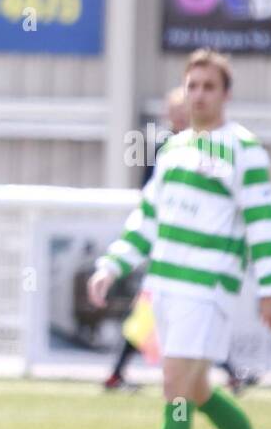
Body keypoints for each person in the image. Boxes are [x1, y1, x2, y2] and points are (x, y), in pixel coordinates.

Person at [87, 49, 271, 429]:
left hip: (208, 288)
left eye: (209, 87)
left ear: (226, 95)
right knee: (196, 390)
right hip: (167, 286)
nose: (199, 94)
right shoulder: (175, 148)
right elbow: (148, 218)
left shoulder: (243, 148)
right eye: (192, 85)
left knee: (175, 386)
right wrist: (112, 265)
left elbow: (263, 221)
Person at [104, 86, 257, 394]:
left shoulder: (206, 146)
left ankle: (119, 374)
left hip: (189, 251)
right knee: (173, 318)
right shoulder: (166, 146)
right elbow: (152, 198)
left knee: (183, 319)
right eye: (178, 110)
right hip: (170, 248)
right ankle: (229, 373)